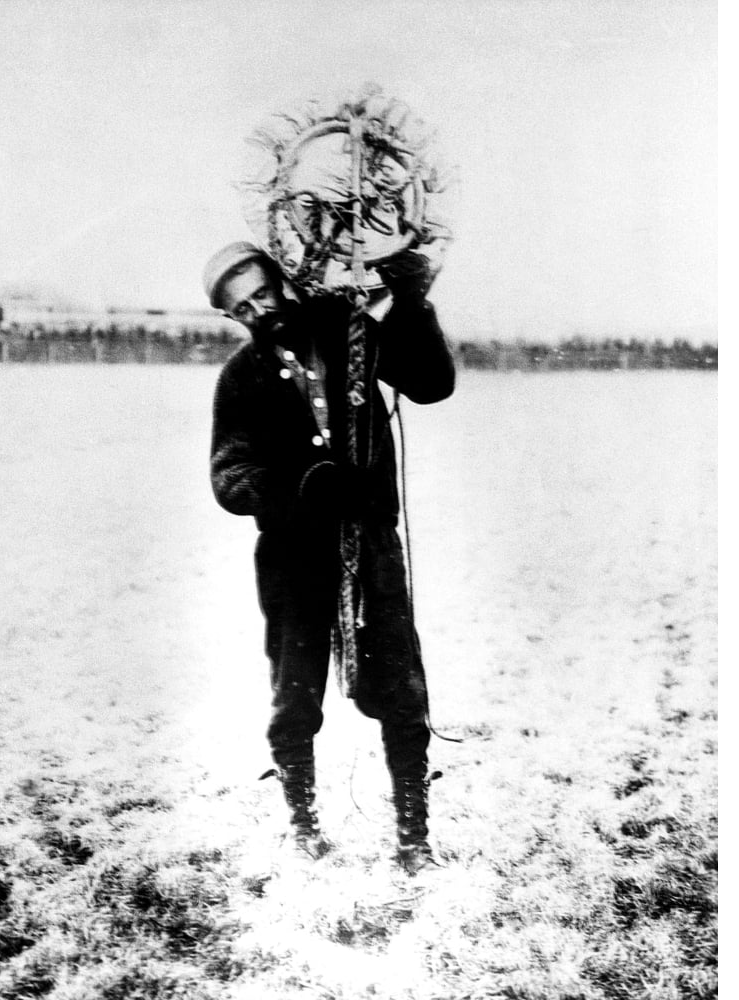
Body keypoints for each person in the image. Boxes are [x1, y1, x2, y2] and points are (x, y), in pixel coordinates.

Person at [205, 241, 455, 874]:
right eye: (243, 308)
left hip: (369, 544)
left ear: (283, 281)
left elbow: (430, 383)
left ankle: (413, 837)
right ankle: (305, 828)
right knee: (294, 698)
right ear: (233, 317)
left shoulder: (349, 334)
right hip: (292, 558)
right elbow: (228, 476)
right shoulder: (240, 377)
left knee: (399, 686)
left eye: (264, 294)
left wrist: (413, 303)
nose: (260, 310)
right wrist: (296, 489)